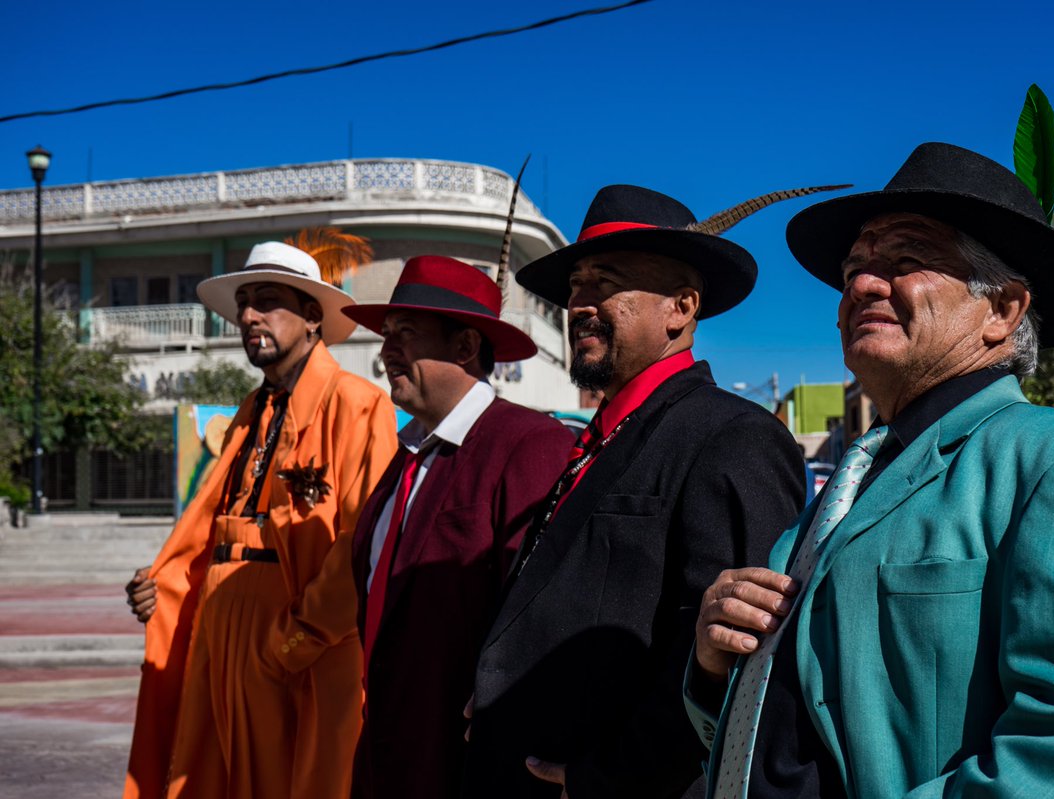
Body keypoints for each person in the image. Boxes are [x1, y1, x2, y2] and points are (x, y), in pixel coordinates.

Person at [688, 142, 1054, 798]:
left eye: (906, 261)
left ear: (1002, 310)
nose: (861, 286)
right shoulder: (847, 488)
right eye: (853, 270)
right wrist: (713, 668)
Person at [464, 184, 810, 799]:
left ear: (681, 307)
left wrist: (607, 780)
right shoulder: (596, 440)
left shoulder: (733, 437)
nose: (580, 303)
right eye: (576, 286)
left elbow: (733, 657)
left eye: (606, 282)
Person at [123, 240, 397, 799]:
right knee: (205, 778)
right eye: (244, 303)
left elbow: (363, 541)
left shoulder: (358, 404)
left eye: (267, 301)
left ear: (313, 317)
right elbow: (212, 526)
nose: (249, 316)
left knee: (291, 779)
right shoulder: (250, 410)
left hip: (294, 635)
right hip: (219, 627)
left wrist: (296, 639)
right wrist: (165, 585)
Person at [341, 255, 574, 799]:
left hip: (468, 766)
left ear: (466, 346)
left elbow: (539, 621)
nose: (386, 350)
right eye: (386, 333)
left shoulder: (529, 443)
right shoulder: (404, 459)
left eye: (406, 333)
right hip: (385, 758)